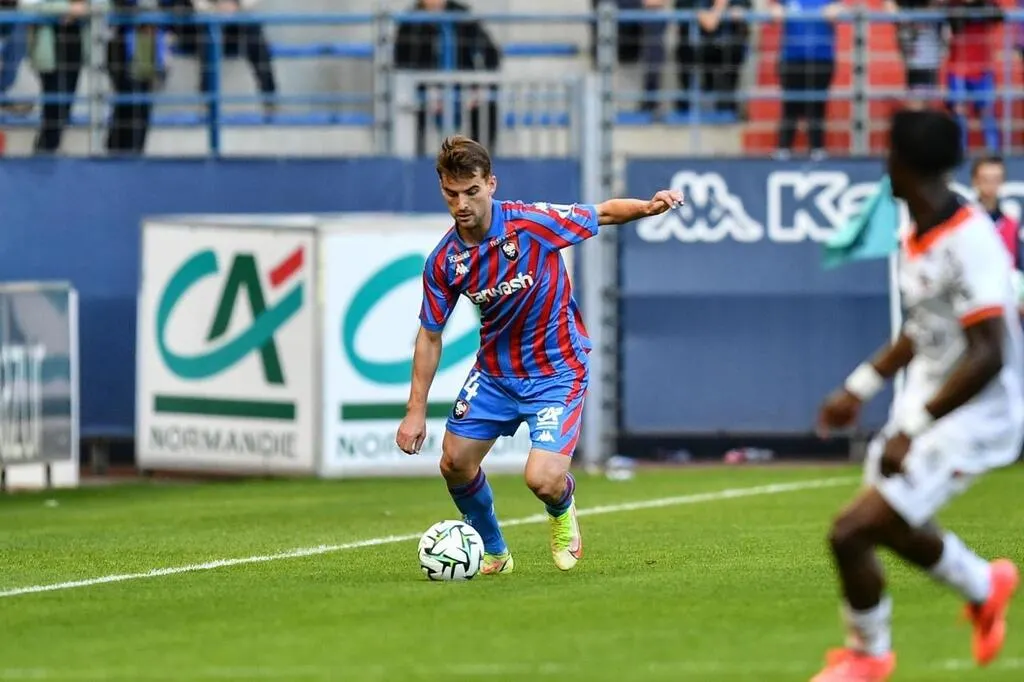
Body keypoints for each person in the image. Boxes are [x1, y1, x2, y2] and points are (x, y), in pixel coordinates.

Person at [395, 135, 683, 575]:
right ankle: (495, 552)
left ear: (491, 184)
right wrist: (415, 411)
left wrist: (648, 207)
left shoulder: (530, 223)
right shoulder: (445, 261)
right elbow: (430, 336)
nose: (462, 204)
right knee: (454, 463)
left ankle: (562, 506)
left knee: (542, 480)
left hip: (557, 371)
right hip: (495, 375)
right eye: (452, 194)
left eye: (472, 191)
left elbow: (603, 212)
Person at [812, 108, 1022, 681]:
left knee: (851, 531)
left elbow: (989, 354)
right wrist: (859, 387)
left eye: (889, 151)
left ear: (902, 163)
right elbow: (920, 329)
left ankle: (869, 657)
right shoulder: (917, 229)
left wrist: (914, 427)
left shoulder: (969, 241)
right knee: (882, 524)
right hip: (928, 401)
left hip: (976, 414)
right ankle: (985, 586)